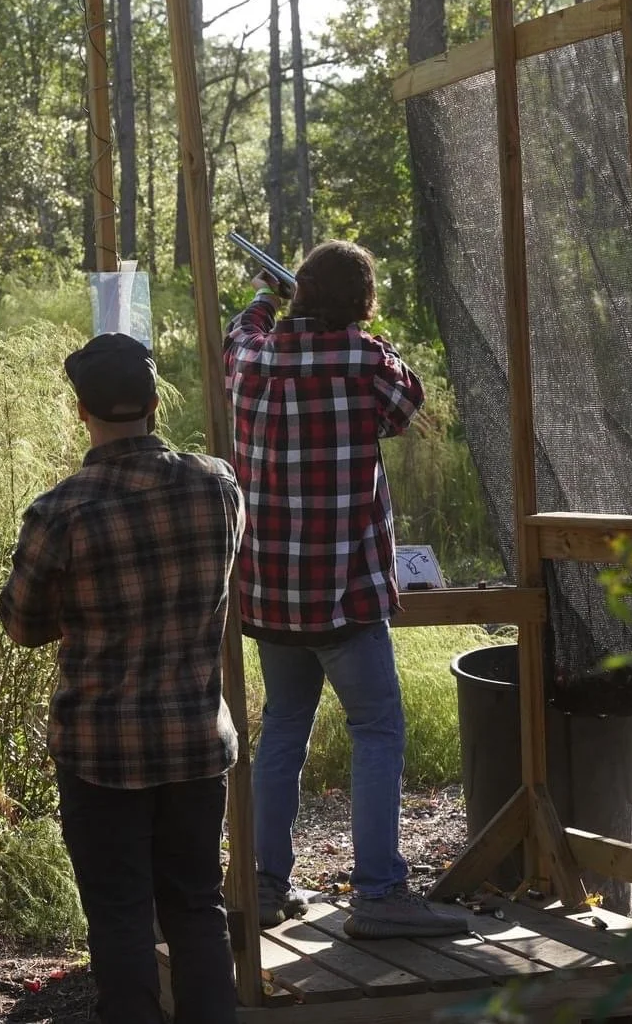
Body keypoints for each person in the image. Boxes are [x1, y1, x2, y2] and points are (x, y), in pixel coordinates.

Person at [0, 333, 242, 1024]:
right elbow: (215, 580)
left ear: (80, 411)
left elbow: (21, 623)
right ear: (155, 402)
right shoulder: (219, 486)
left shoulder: (60, 512)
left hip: (101, 752)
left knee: (121, 918)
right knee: (198, 905)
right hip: (196, 742)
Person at [225, 240, 464, 938]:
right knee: (378, 729)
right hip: (345, 597)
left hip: (272, 596)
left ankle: (267, 884)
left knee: (283, 733)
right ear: (360, 305)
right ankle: (381, 893)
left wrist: (271, 296)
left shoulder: (252, 359)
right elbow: (409, 397)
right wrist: (362, 330)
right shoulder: (362, 359)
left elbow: (245, 327)